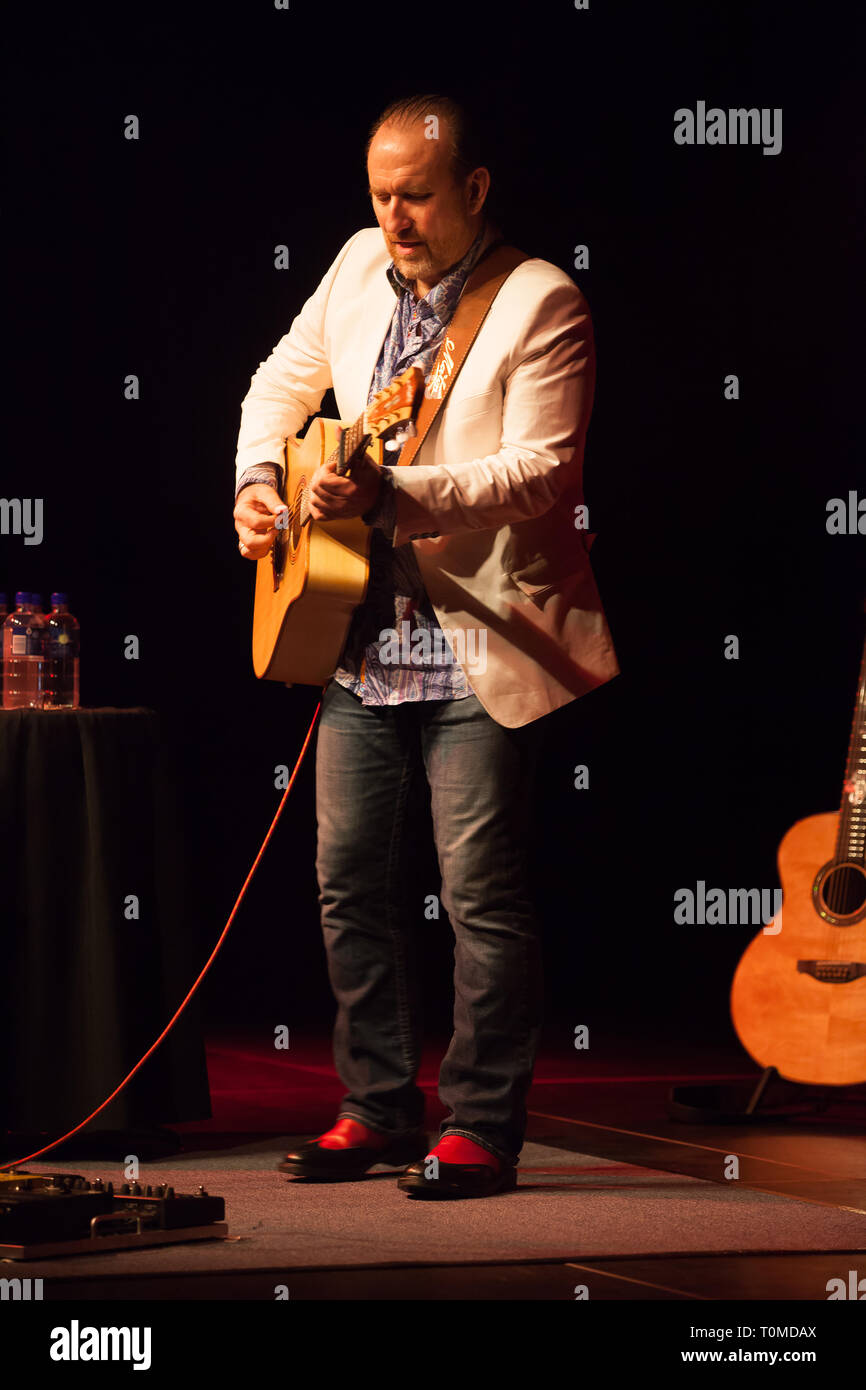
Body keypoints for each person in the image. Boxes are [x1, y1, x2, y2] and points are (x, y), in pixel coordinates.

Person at [233, 93, 619, 1199]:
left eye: (414, 198)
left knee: (478, 896)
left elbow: (538, 473)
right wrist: (262, 482)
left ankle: (482, 1127)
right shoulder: (358, 266)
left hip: (475, 643)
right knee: (346, 883)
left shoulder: (540, 300)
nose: (392, 219)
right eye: (379, 196)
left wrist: (394, 488)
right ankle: (377, 1107)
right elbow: (278, 379)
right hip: (357, 638)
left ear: (474, 191)